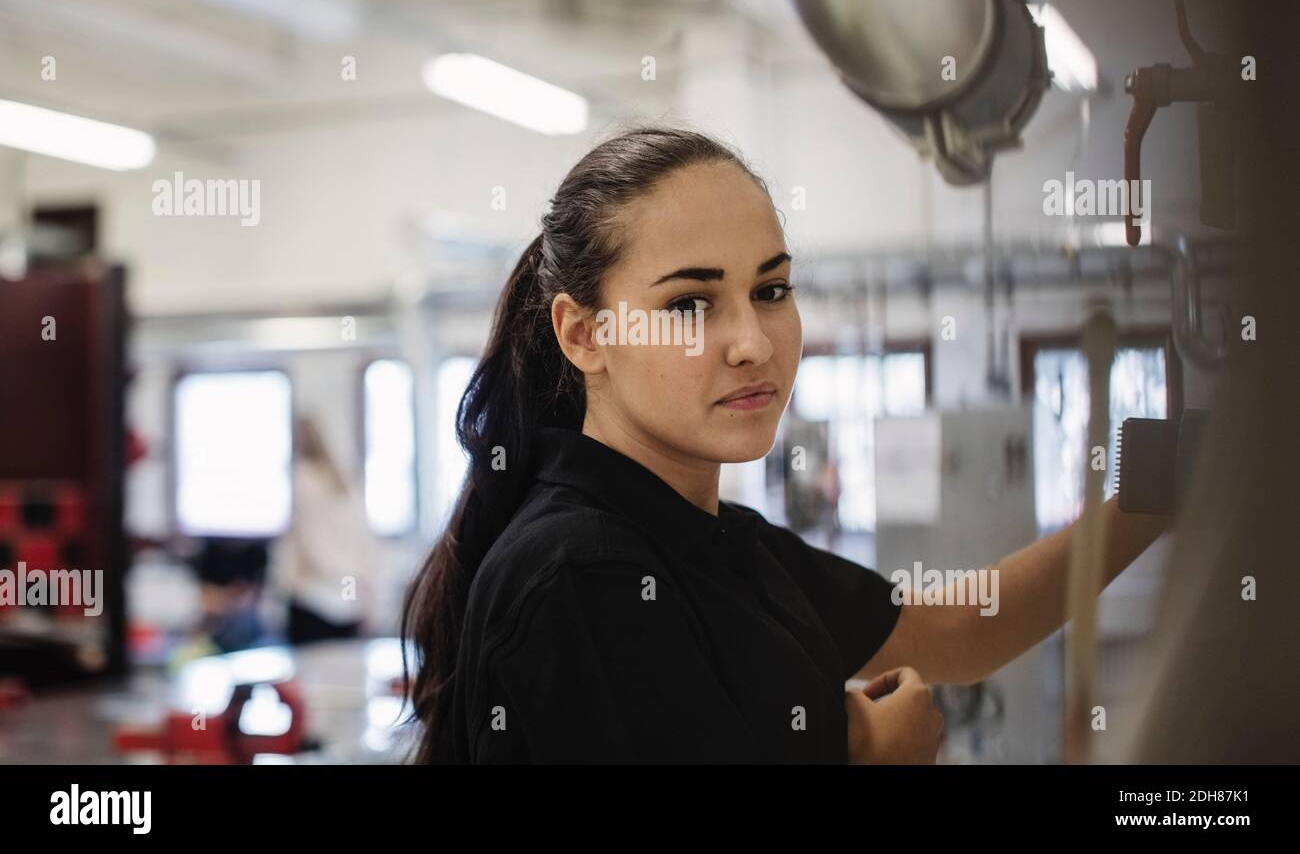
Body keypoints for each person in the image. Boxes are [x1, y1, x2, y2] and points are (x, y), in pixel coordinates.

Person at [400, 126, 1170, 764]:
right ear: (584, 334)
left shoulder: (713, 543)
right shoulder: (582, 573)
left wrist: (1161, 495)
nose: (752, 343)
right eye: (691, 304)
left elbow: (954, 634)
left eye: (770, 291)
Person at [273, 415, 377, 645]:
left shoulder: (302, 479)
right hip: (348, 593)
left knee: (313, 676)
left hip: (313, 597)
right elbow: (363, 546)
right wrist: (359, 585)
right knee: (346, 674)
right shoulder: (345, 483)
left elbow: (312, 545)